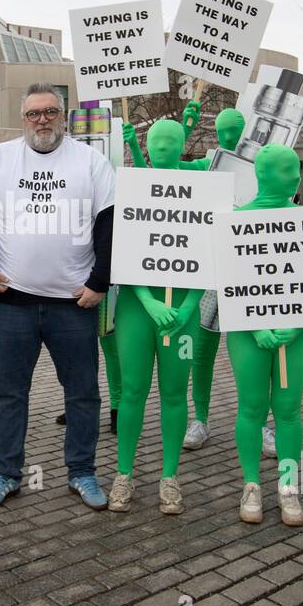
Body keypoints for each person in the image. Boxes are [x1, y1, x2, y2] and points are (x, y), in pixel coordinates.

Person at [0, 82, 115, 511]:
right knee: (9, 394)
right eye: (33, 113)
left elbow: (108, 228)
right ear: (22, 118)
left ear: (63, 116)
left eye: (50, 111)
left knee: (83, 393)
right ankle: (6, 474)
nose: (42, 120)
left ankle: (82, 472)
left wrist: (99, 283)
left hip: (75, 304)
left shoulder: (91, 162)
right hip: (13, 302)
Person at [107, 119, 203, 514]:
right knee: (132, 390)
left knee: (174, 393)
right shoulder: (129, 187)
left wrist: (186, 307)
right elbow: (122, 248)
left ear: (182, 144)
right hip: (136, 306)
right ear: (147, 144)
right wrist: (148, 301)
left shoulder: (201, 191)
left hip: (182, 310)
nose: (163, 145)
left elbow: (207, 254)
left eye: (171, 139)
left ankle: (169, 476)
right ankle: (124, 473)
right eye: (156, 139)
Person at [226, 143, 303, 527]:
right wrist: (256, 326)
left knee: (290, 408)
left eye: (295, 169)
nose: (295, 176)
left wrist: (295, 323)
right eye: (286, 170)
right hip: (248, 334)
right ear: (262, 174)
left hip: (298, 331)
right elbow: (228, 282)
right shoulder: (234, 220)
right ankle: (250, 483)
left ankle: (289, 485)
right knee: (251, 406)